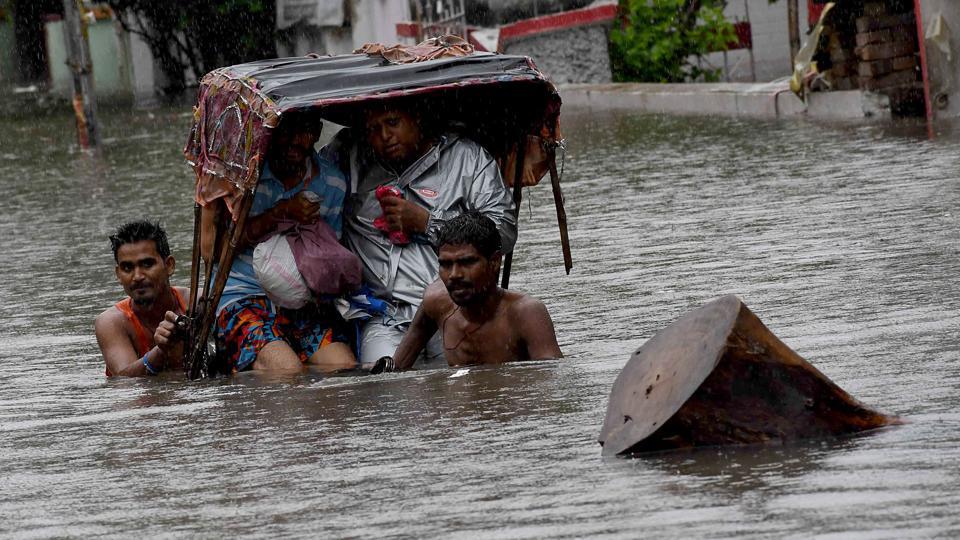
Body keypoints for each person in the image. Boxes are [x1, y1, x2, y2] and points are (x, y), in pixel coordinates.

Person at [322, 101, 518, 369]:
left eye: (392, 122)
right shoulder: (347, 154)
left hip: (456, 309)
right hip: (384, 316)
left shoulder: (466, 158)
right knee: (383, 385)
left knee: (465, 383)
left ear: (418, 118)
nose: (385, 136)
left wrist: (428, 223)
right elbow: (308, 184)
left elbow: (503, 231)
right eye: (373, 129)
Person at [199, 115, 356, 373]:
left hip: (301, 302)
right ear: (269, 132)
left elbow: (329, 256)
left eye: (305, 131)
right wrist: (279, 214)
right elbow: (211, 253)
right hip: (243, 294)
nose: (295, 141)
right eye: (286, 130)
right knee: (287, 369)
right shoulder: (241, 179)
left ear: (317, 132)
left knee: (344, 366)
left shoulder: (332, 183)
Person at [387, 212, 561, 370]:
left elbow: (550, 379)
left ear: (494, 262)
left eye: (467, 262)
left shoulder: (525, 313)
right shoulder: (436, 301)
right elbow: (396, 369)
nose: (454, 275)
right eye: (445, 264)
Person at [95, 221, 188, 377]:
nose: (137, 276)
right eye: (127, 268)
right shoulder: (112, 322)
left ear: (169, 266)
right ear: (118, 274)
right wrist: (161, 351)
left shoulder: (197, 303)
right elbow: (123, 379)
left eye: (147, 264)